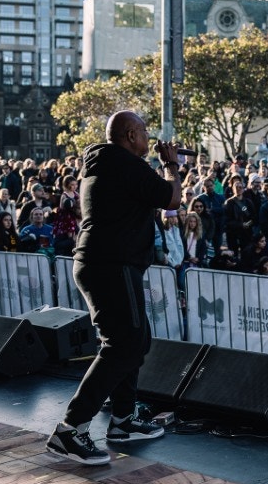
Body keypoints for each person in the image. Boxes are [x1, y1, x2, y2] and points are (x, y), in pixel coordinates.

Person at [46, 110, 181, 466]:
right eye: (145, 132)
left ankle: (123, 420)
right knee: (123, 345)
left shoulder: (101, 163)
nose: (149, 138)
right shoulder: (125, 165)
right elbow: (171, 199)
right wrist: (172, 166)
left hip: (102, 263)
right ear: (130, 134)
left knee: (135, 341)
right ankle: (70, 430)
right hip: (112, 265)